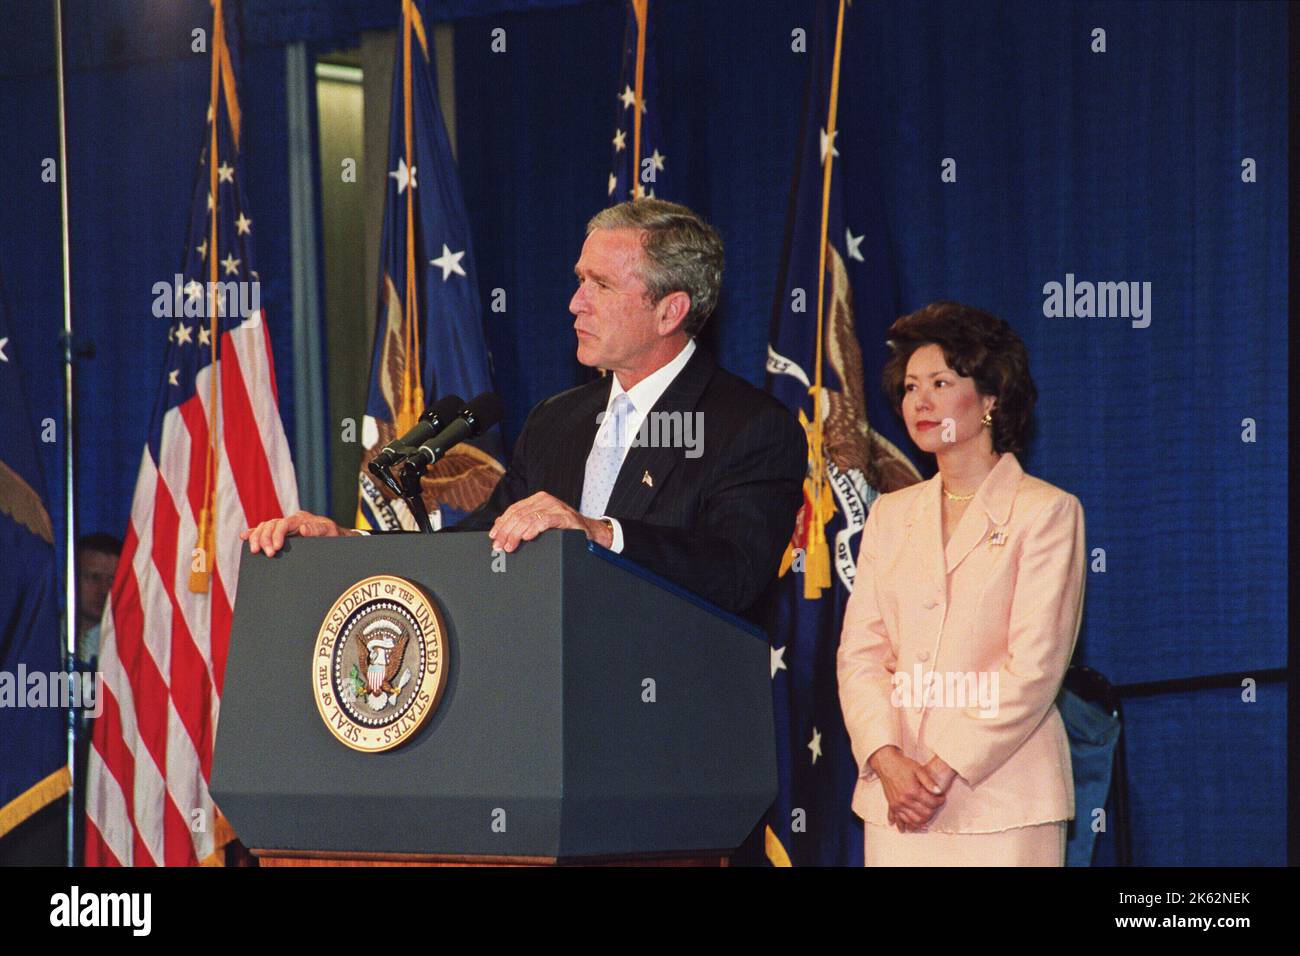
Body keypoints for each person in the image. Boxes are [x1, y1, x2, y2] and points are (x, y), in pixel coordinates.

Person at [242, 199, 806, 617]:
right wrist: (345, 546)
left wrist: (594, 532)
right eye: (578, 280)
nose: (574, 303)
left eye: (600, 285)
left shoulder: (750, 427)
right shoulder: (557, 420)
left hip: (669, 735)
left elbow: (734, 572)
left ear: (670, 311)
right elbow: (481, 551)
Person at [837, 301, 1086, 866]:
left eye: (941, 383)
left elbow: (1034, 668)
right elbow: (861, 656)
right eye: (909, 387)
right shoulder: (889, 514)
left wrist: (940, 770)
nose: (918, 401)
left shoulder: (1045, 512)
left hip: (1001, 800)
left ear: (991, 398)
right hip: (896, 805)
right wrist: (886, 759)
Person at [75, 532, 121, 670]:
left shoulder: (125, 647)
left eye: (112, 581)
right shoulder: (44, 634)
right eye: (94, 578)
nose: (103, 591)